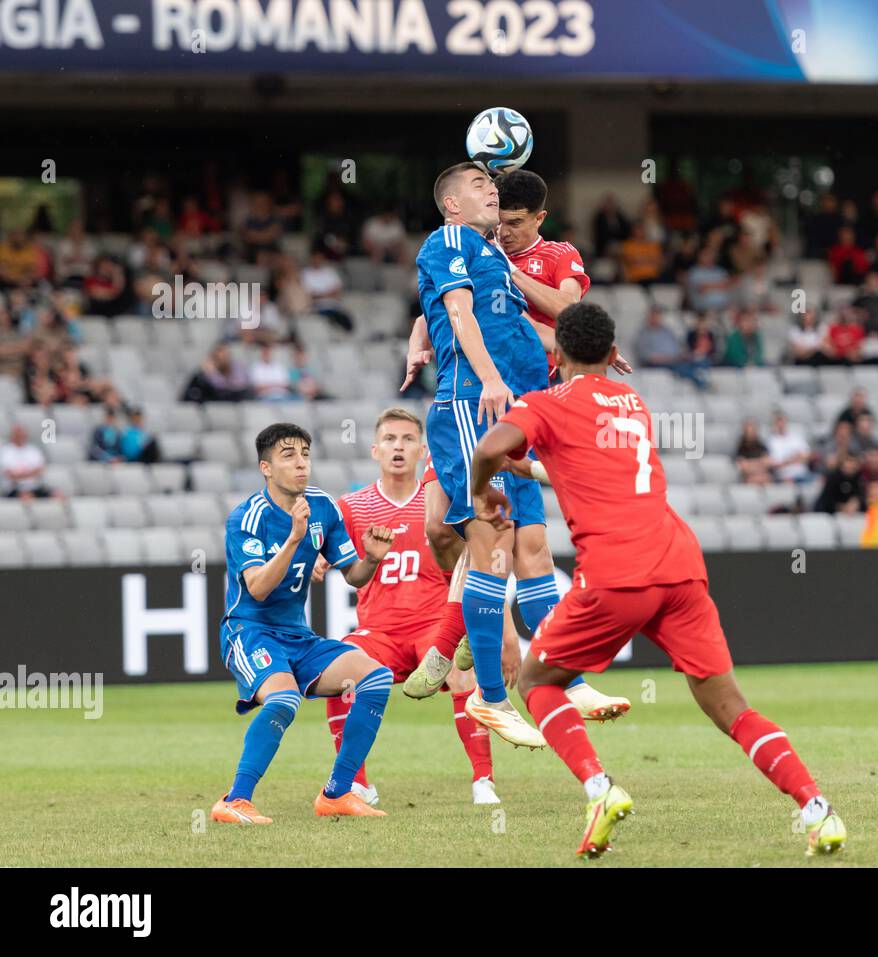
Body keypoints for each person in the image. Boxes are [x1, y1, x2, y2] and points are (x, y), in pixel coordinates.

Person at [466, 301, 846, 859]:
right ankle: (817, 809)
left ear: (558, 355)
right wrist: (523, 468)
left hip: (619, 572)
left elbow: (489, 447)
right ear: (613, 354)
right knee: (731, 708)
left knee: (537, 681)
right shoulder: (633, 402)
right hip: (680, 565)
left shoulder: (545, 402)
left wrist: (483, 490)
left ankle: (600, 789)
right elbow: (582, 464)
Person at [403, 163, 626, 745]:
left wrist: (592, 348)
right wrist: (488, 377)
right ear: (451, 204)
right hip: (474, 405)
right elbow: (456, 313)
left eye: (492, 185)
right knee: (482, 538)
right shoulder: (448, 240)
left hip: (518, 412)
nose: (491, 191)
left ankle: (557, 675)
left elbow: (534, 326)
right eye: (479, 186)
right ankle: (490, 693)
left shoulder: (496, 257)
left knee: (526, 542)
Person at [311, 408, 499, 806]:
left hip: (434, 624)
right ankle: (355, 782)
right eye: (391, 439)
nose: (399, 446)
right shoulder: (352, 506)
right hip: (378, 631)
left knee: (463, 678)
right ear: (375, 450)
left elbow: (470, 559)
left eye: (408, 439)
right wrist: (319, 559)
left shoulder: (440, 506)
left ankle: (484, 780)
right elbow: (332, 555)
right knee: (337, 671)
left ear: (422, 450)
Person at [211, 423, 395, 825]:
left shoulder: (322, 507)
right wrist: (294, 540)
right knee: (284, 699)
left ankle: (337, 793)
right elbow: (257, 588)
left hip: (298, 636)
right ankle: (234, 800)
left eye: (306, 454)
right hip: (248, 630)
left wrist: (373, 558)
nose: (301, 463)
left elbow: (354, 576)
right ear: (266, 467)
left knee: (377, 678)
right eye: (288, 455)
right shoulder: (247, 517)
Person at [1, 425, 53, 499]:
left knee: (57, 495)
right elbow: (9, 474)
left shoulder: (33, 450)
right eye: (18, 434)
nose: (20, 436)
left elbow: (40, 470)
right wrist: (30, 473)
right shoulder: (5, 451)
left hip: (34, 487)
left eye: (22, 434)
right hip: (14, 488)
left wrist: (21, 474)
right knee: (26, 497)